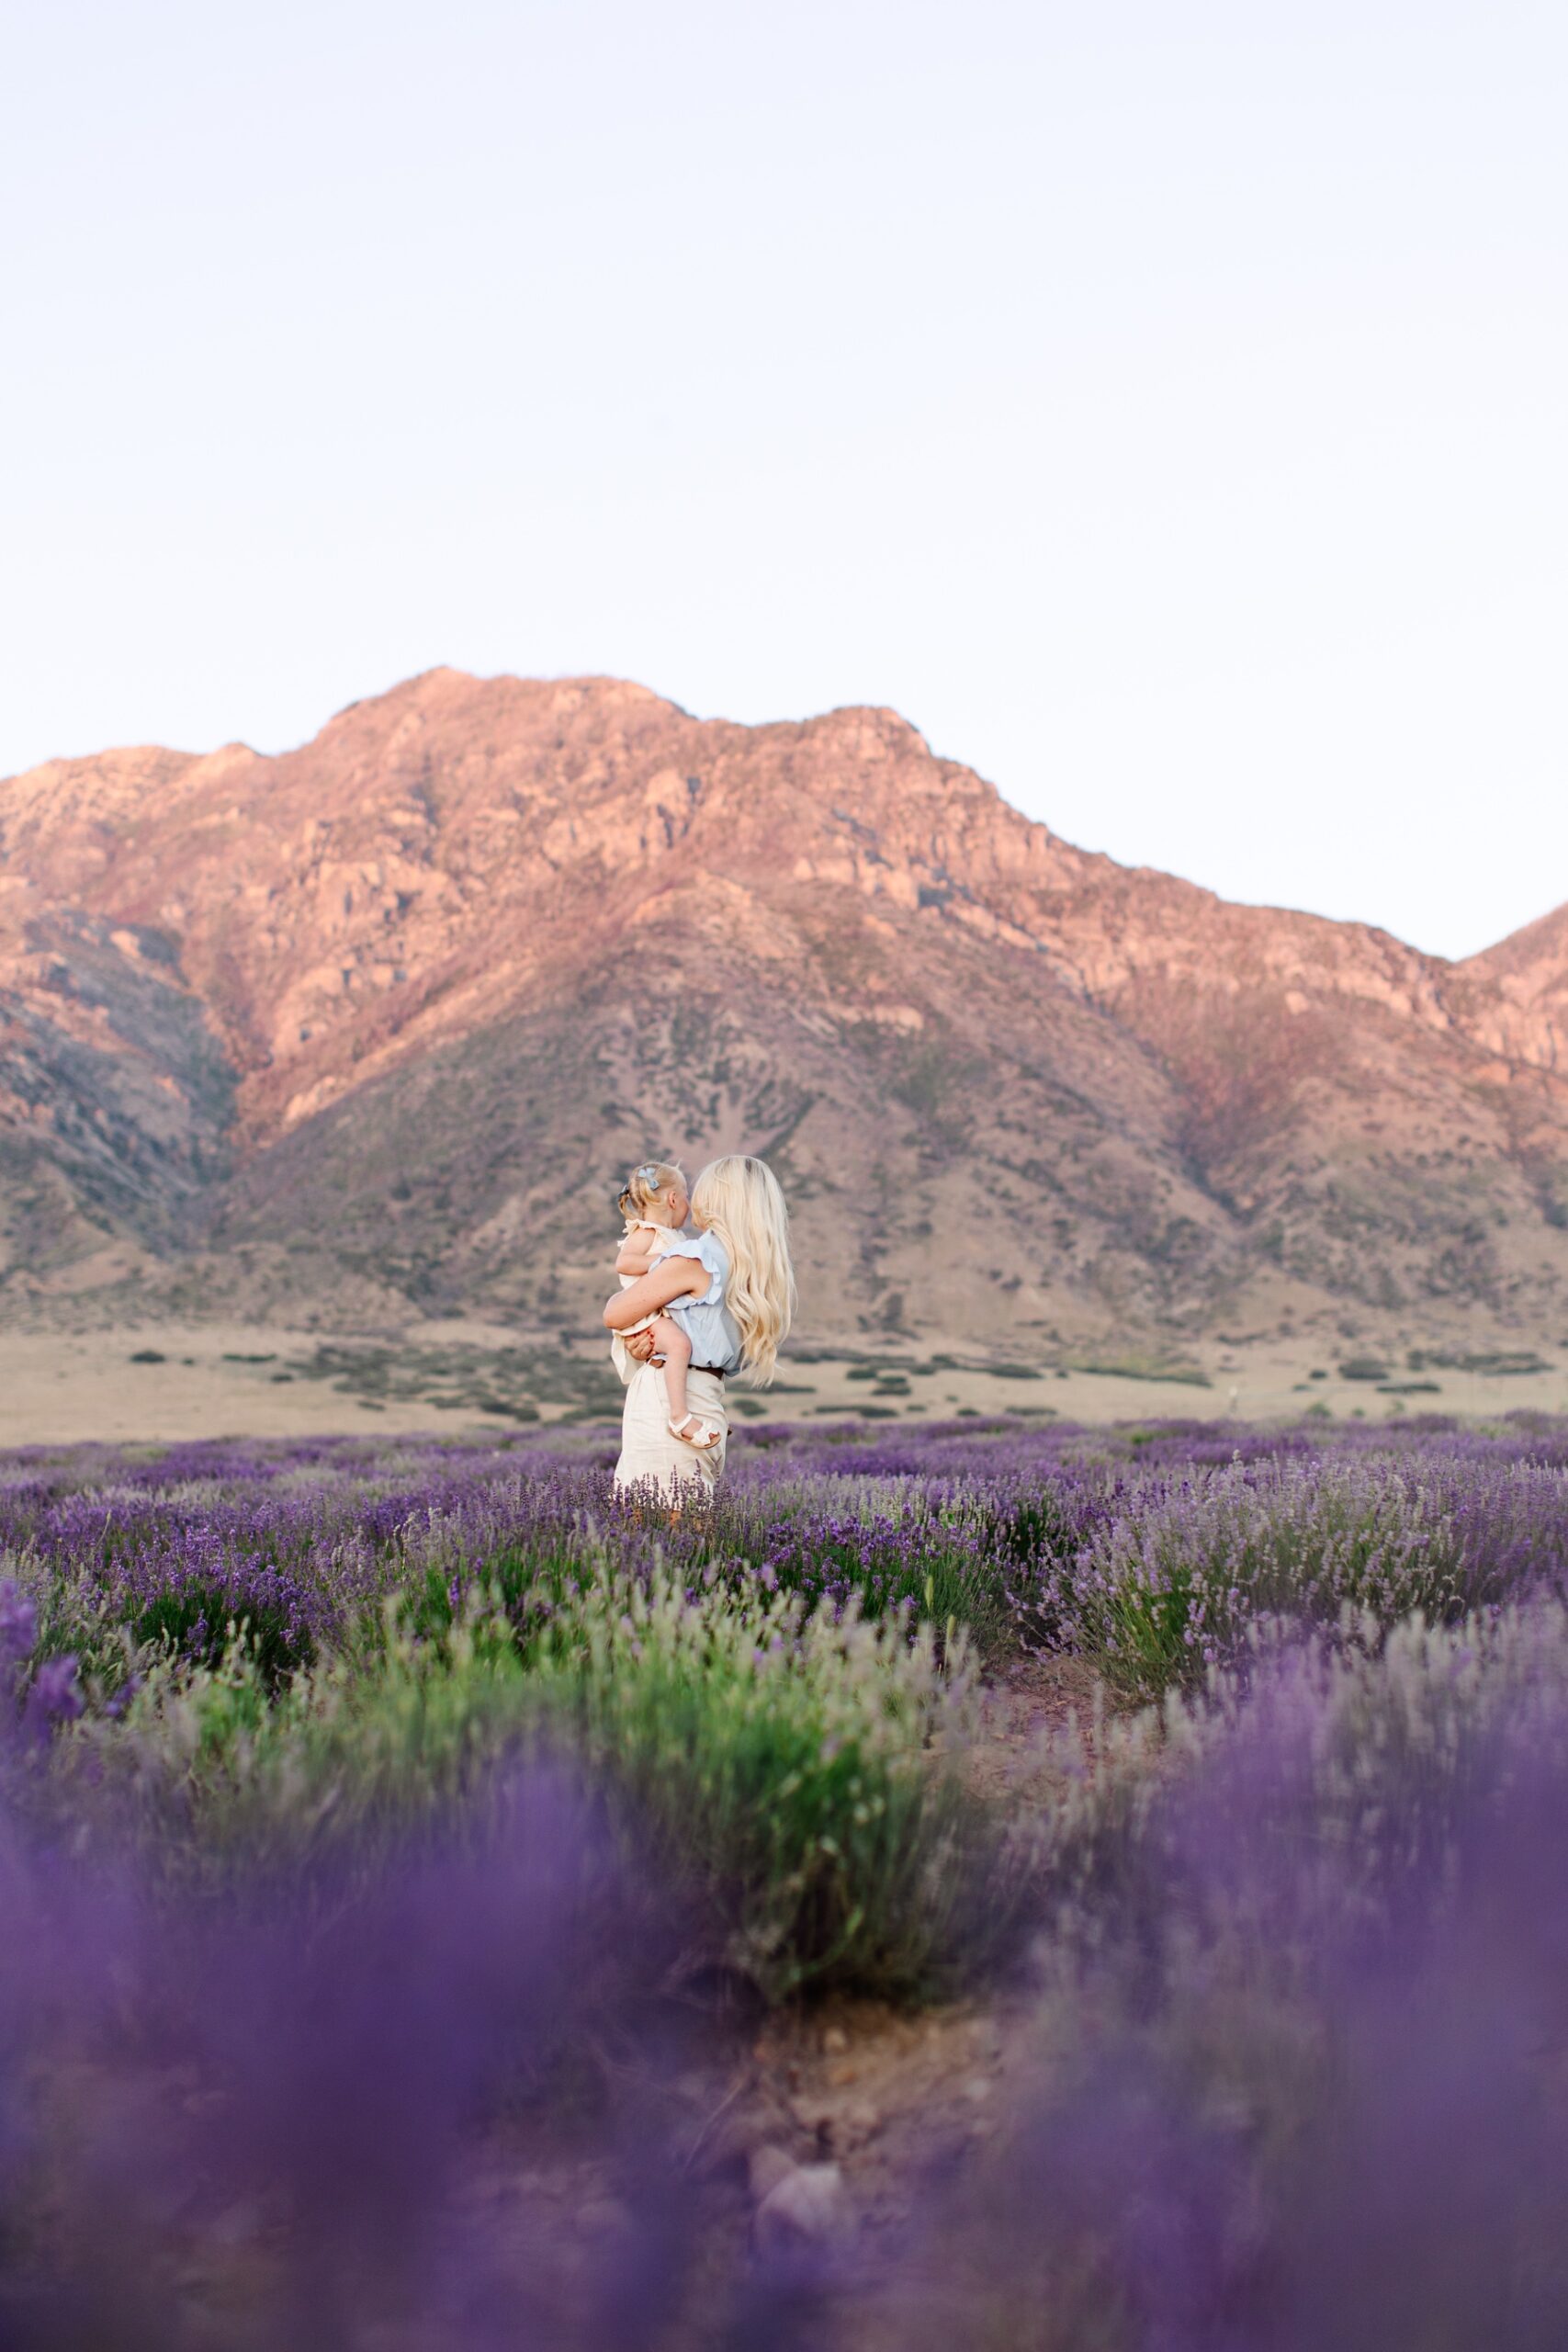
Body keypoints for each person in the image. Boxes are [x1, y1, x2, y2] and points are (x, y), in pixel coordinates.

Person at [604, 1154, 795, 1499]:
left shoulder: (694, 1259)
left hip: (671, 1401)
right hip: (709, 1402)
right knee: (687, 1537)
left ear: (717, 1198)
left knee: (650, 1535)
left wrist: (640, 1325)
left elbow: (615, 1314)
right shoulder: (753, 1268)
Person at [611, 1159, 716, 1451]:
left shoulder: (676, 1238)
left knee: (688, 1344)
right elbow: (625, 1262)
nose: (688, 1204)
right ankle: (679, 1416)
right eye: (686, 1197)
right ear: (673, 1199)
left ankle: (699, 1406)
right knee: (680, 1346)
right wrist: (662, 1264)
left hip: (658, 1310)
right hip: (647, 1314)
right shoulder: (646, 1232)